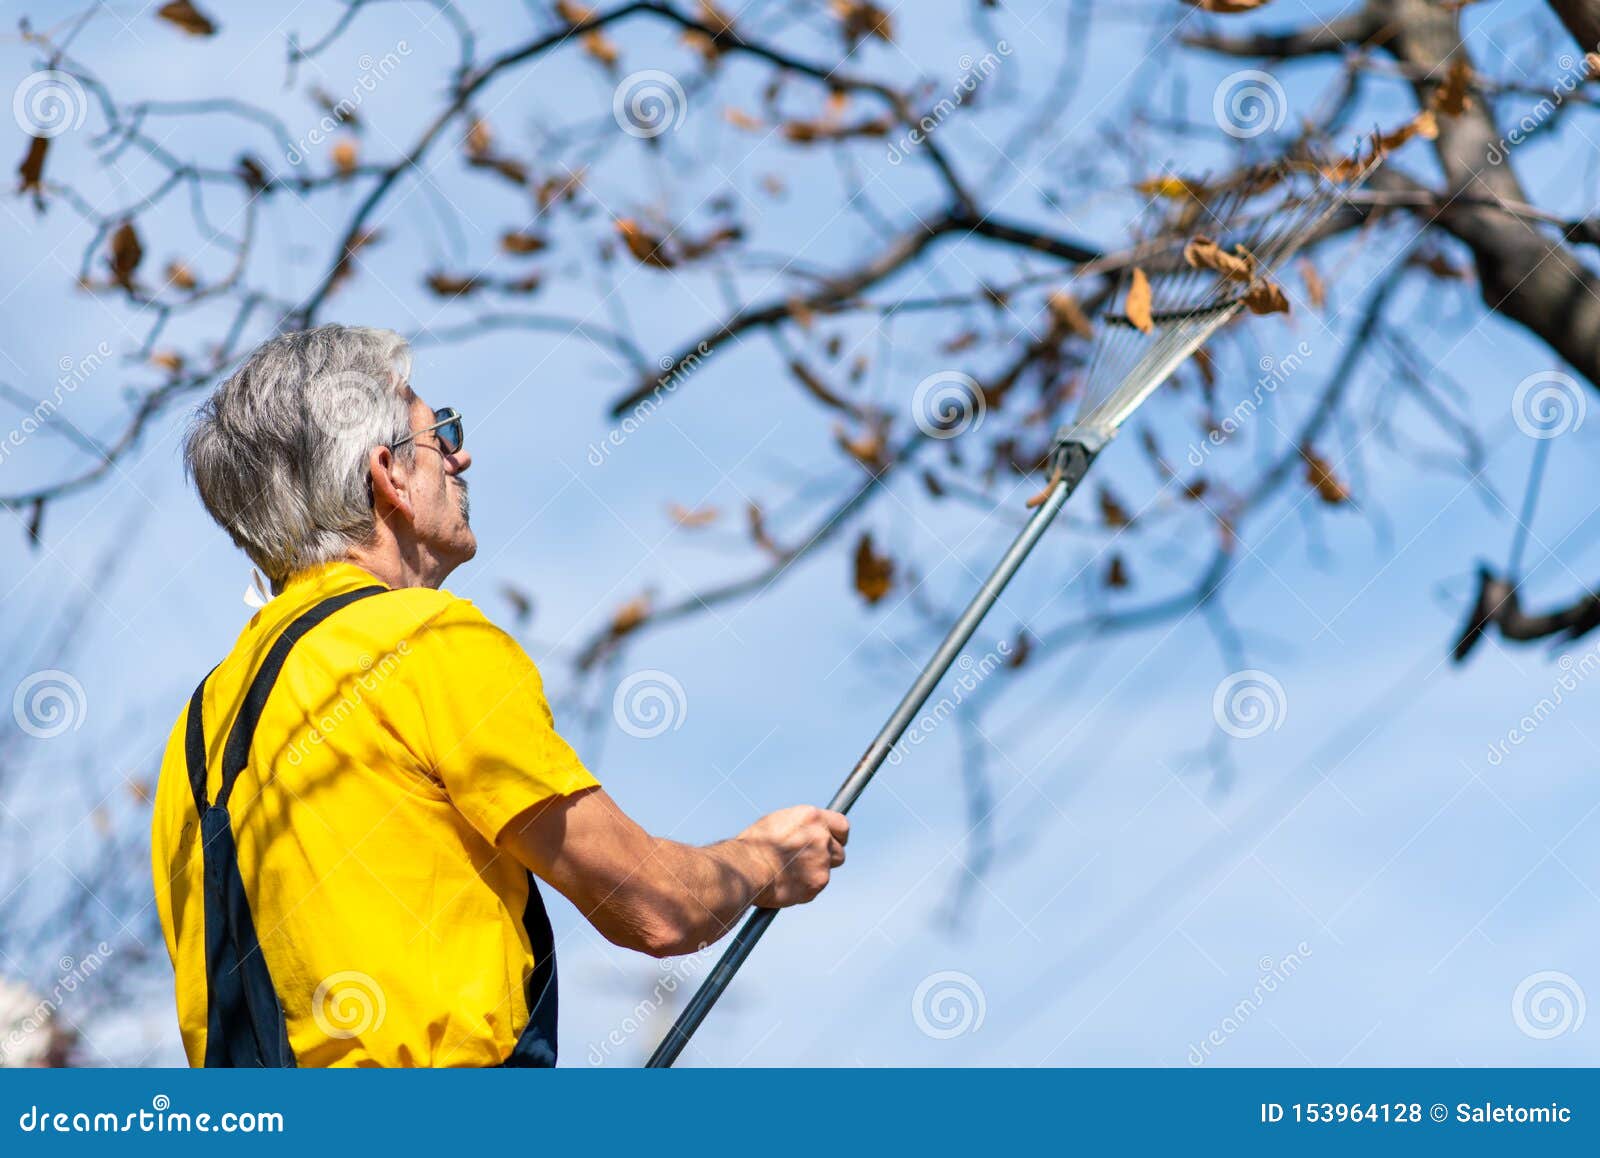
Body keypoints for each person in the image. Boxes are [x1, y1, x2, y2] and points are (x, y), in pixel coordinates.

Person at [151, 324, 847, 1067]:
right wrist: (764, 860)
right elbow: (655, 907)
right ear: (387, 474)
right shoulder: (420, 641)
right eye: (440, 433)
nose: (462, 455)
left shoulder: (197, 734)